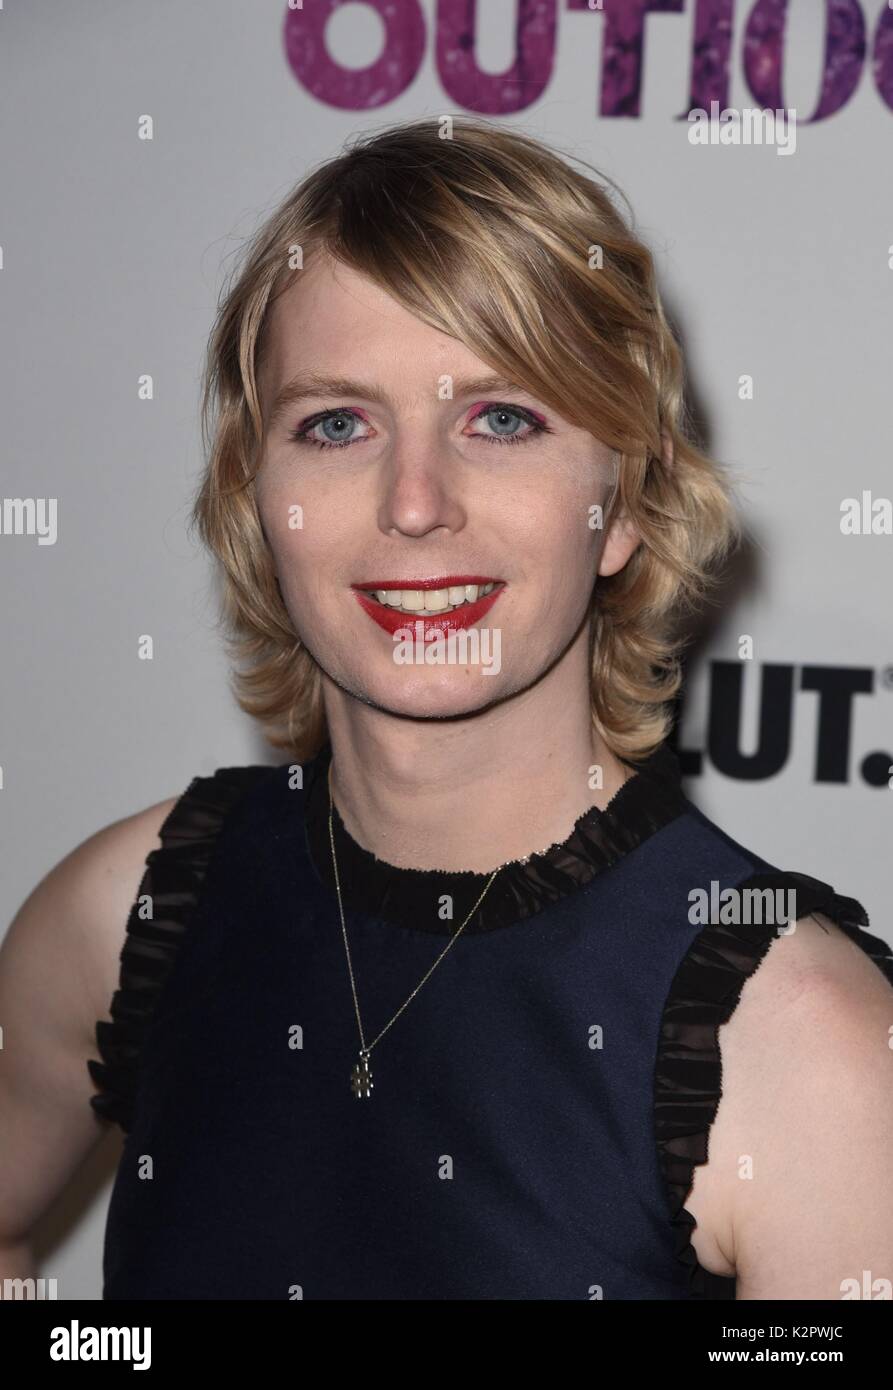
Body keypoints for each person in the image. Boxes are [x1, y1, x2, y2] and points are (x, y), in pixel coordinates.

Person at [2, 117, 892, 1302]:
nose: (413, 502)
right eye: (335, 423)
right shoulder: (127, 912)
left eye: (501, 418)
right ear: (257, 502)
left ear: (622, 502)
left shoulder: (801, 1047)